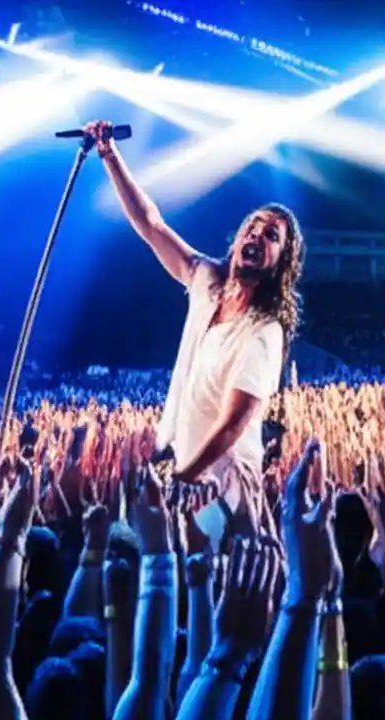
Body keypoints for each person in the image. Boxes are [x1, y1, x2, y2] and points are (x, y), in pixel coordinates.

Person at [84, 119, 305, 534]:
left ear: (282, 260)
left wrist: (187, 477)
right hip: (186, 473)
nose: (257, 236)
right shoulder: (206, 281)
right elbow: (151, 225)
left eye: (271, 236)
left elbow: (235, 422)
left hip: (225, 486)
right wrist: (110, 156)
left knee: (203, 580)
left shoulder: (264, 330)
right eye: (251, 229)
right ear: (238, 239)